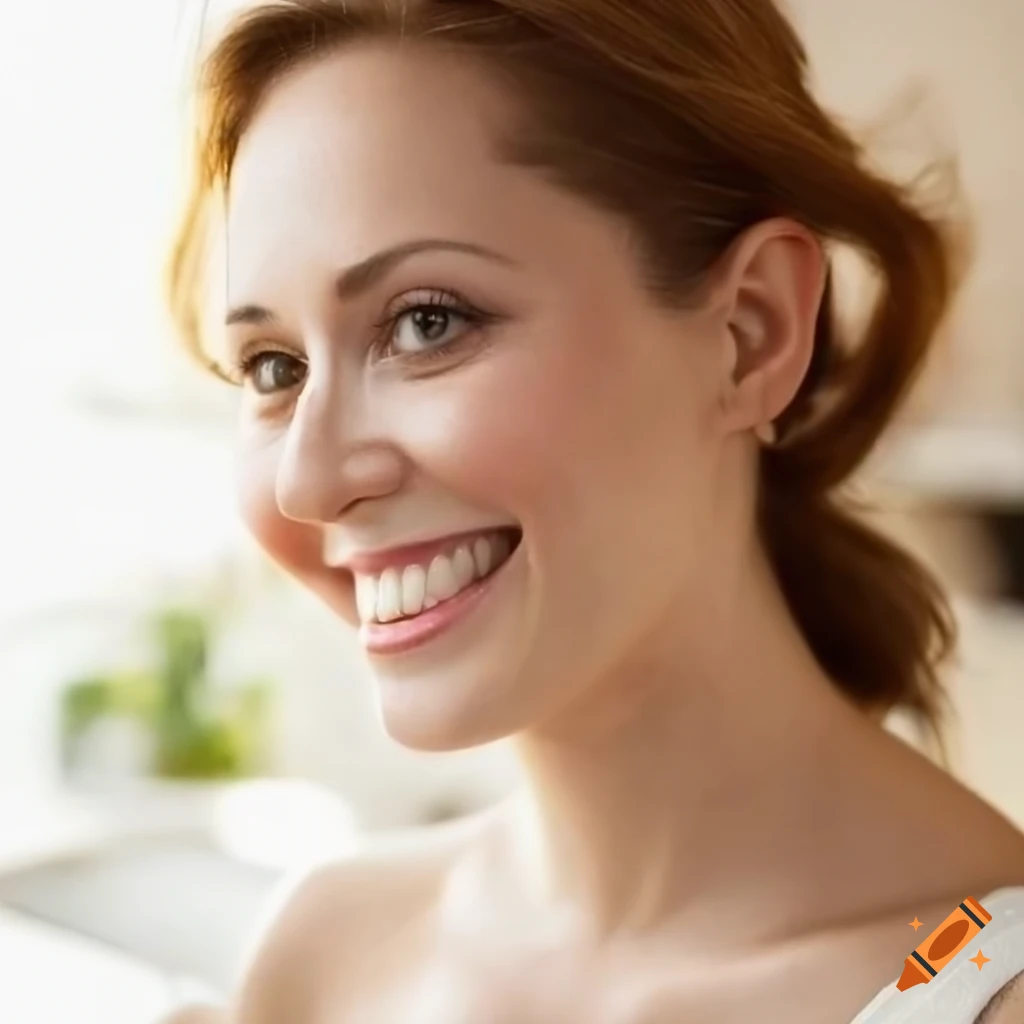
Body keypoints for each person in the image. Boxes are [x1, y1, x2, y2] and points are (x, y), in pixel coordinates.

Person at [162, 0, 1024, 1020]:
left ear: (750, 333)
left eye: (427, 322)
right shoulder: (323, 954)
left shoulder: (980, 988)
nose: (308, 483)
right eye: (274, 366)